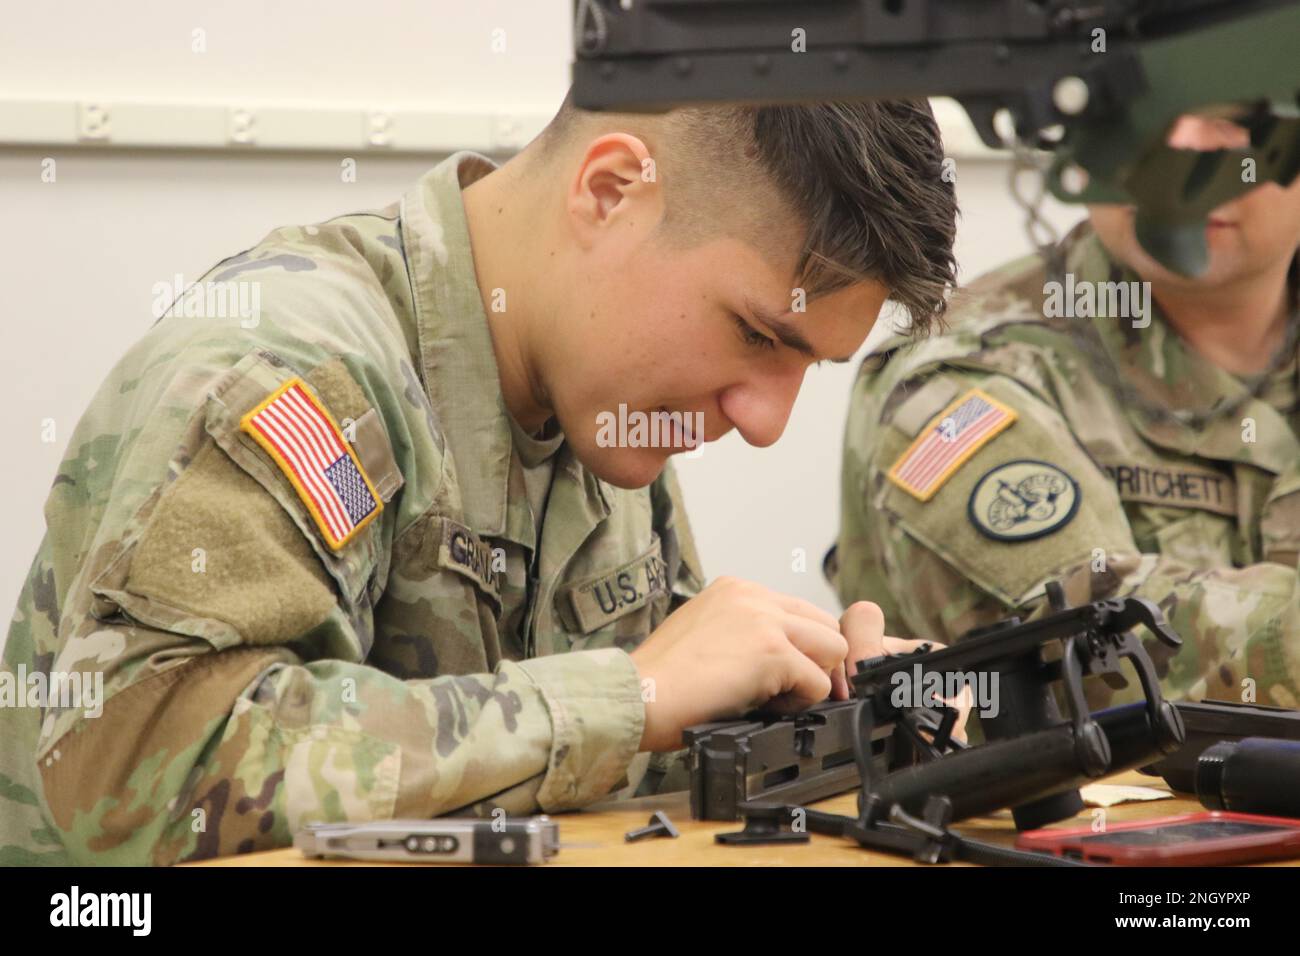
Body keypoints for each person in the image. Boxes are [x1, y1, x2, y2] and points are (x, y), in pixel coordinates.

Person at [0, 94, 958, 864]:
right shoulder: (292, 373)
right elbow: (136, 781)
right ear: (612, 190)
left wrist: (823, 714)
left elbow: (618, 769)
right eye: (756, 334)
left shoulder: (610, 414)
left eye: (807, 368)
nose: (765, 422)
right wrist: (627, 696)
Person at [829, 114, 1300, 714]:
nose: (1187, 144)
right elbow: (1095, 661)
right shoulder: (966, 377)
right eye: (1143, 105)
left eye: (1231, 115)